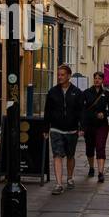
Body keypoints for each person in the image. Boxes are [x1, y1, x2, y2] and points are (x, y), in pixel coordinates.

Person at [43, 63, 84, 196]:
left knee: (70, 155)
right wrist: (45, 128)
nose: (59, 77)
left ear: (69, 76)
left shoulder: (77, 93)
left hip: (72, 130)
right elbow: (47, 111)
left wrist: (81, 127)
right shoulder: (52, 92)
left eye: (62, 75)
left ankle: (70, 177)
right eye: (58, 75)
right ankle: (59, 184)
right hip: (56, 129)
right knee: (57, 155)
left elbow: (81, 112)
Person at [81, 71, 109, 183]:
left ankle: (101, 172)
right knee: (89, 148)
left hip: (102, 125)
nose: (97, 80)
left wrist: (105, 113)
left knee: (100, 147)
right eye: (95, 78)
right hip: (89, 125)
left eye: (99, 78)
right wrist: (82, 127)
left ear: (102, 80)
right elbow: (82, 110)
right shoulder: (86, 93)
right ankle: (91, 167)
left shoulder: (106, 94)